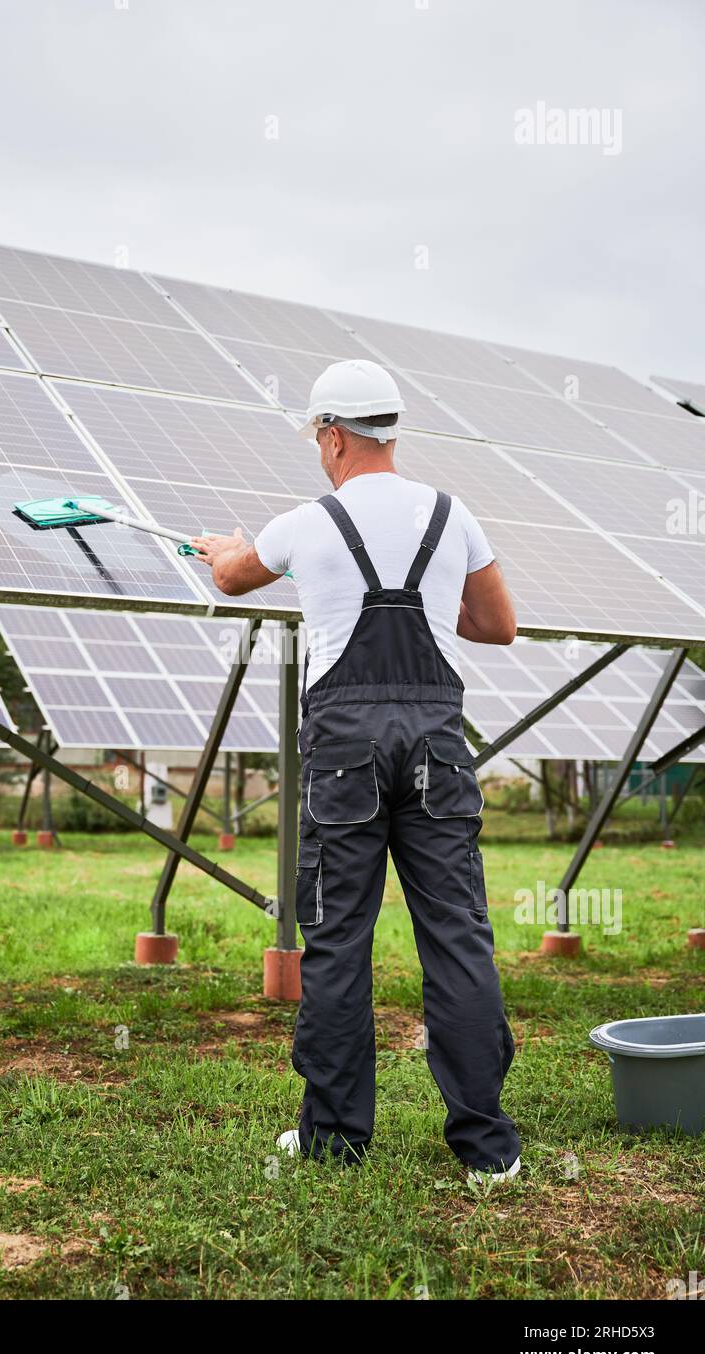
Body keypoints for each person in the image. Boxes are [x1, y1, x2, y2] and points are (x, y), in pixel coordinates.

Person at [191, 359, 522, 1185]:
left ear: (333, 434)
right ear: (391, 430)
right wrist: (430, 600)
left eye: (317, 436)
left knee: (338, 941)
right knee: (457, 935)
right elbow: (499, 626)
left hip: (344, 756)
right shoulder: (455, 517)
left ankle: (336, 1137)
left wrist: (227, 548)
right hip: (438, 752)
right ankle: (486, 1149)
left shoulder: (307, 523)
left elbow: (233, 577)